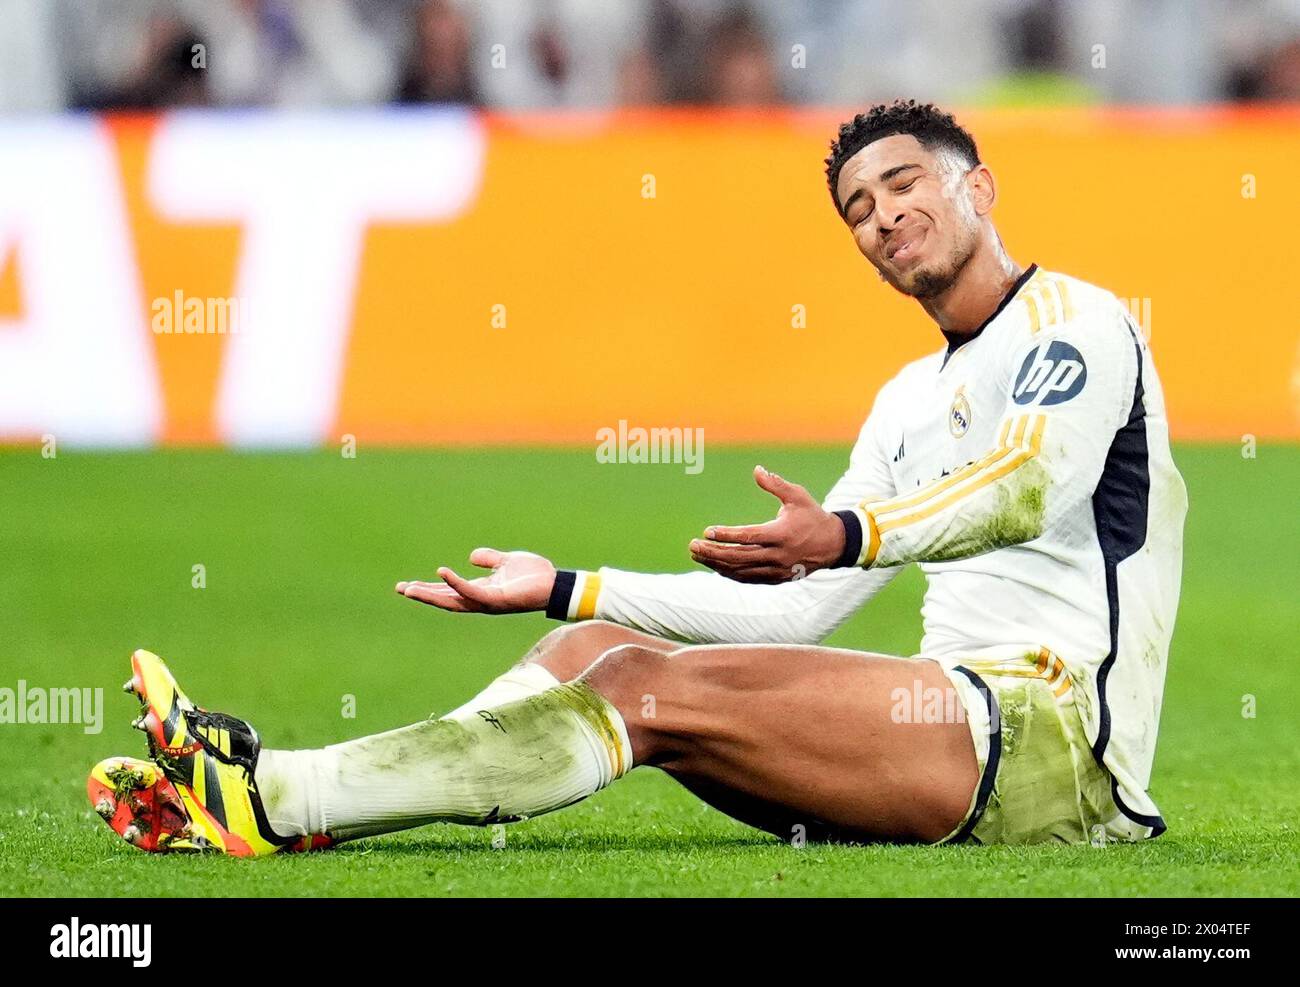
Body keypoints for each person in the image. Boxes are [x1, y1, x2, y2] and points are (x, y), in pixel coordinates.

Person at [87, 101, 1186, 856]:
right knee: (586, 655)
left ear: (979, 188)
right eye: (856, 208)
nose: (883, 216)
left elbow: (1025, 488)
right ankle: (305, 799)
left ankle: (276, 796)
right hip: (943, 728)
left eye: (903, 185)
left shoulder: (1076, 322)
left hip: (1053, 744)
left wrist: (849, 532)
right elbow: (802, 610)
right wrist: (572, 587)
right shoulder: (907, 397)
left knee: (636, 691)